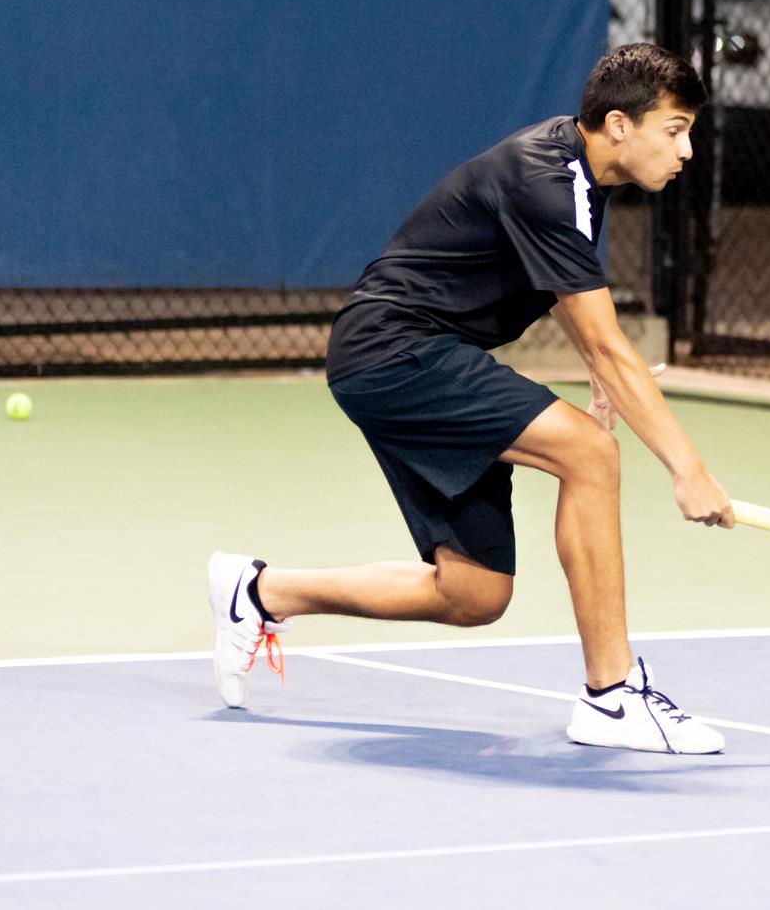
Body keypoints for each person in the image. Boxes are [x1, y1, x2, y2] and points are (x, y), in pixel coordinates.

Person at [207, 43, 735, 754]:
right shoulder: (548, 181)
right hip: (395, 349)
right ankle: (613, 695)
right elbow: (608, 343)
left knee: (475, 593)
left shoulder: (583, 177)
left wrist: (604, 378)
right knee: (590, 454)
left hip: (408, 354)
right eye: (675, 131)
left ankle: (260, 593)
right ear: (619, 124)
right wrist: (687, 469)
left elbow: (573, 307)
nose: (687, 151)